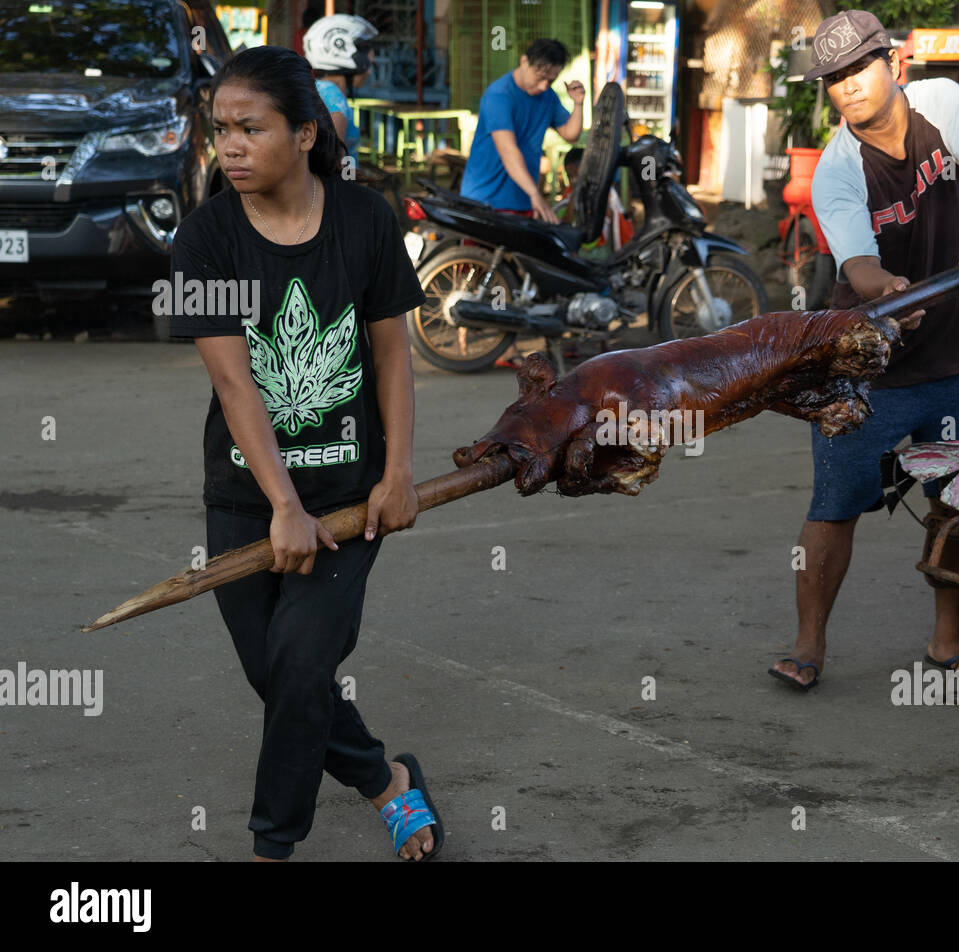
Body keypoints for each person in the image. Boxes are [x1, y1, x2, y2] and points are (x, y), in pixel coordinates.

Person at [168, 45, 440, 861]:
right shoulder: (204, 239)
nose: (232, 148)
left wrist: (397, 476)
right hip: (246, 498)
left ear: (307, 133)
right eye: (221, 130)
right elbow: (235, 385)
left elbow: (393, 354)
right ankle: (387, 779)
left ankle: (271, 846)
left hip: (352, 500)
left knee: (298, 662)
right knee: (283, 679)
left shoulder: (365, 219)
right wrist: (282, 505)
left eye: (251, 128)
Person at [767, 10, 959, 691]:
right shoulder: (837, 169)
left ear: (894, 65)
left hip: (957, 361)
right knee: (835, 504)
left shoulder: (941, 103)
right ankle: (808, 644)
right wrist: (890, 292)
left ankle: (946, 642)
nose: (847, 86)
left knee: (957, 505)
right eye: (833, 78)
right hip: (868, 369)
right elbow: (857, 269)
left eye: (858, 68)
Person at [460, 38, 586, 224]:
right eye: (540, 77)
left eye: (551, 80)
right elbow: (508, 152)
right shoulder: (499, 96)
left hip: (523, 201)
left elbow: (571, 134)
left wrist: (578, 104)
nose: (544, 85)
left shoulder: (547, 97)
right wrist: (535, 194)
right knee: (478, 254)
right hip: (485, 200)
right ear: (524, 61)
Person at [303, 13, 377, 164]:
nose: (368, 72)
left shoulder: (322, 90)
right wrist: (353, 184)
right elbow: (334, 165)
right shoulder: (335, 102)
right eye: (367, 64)